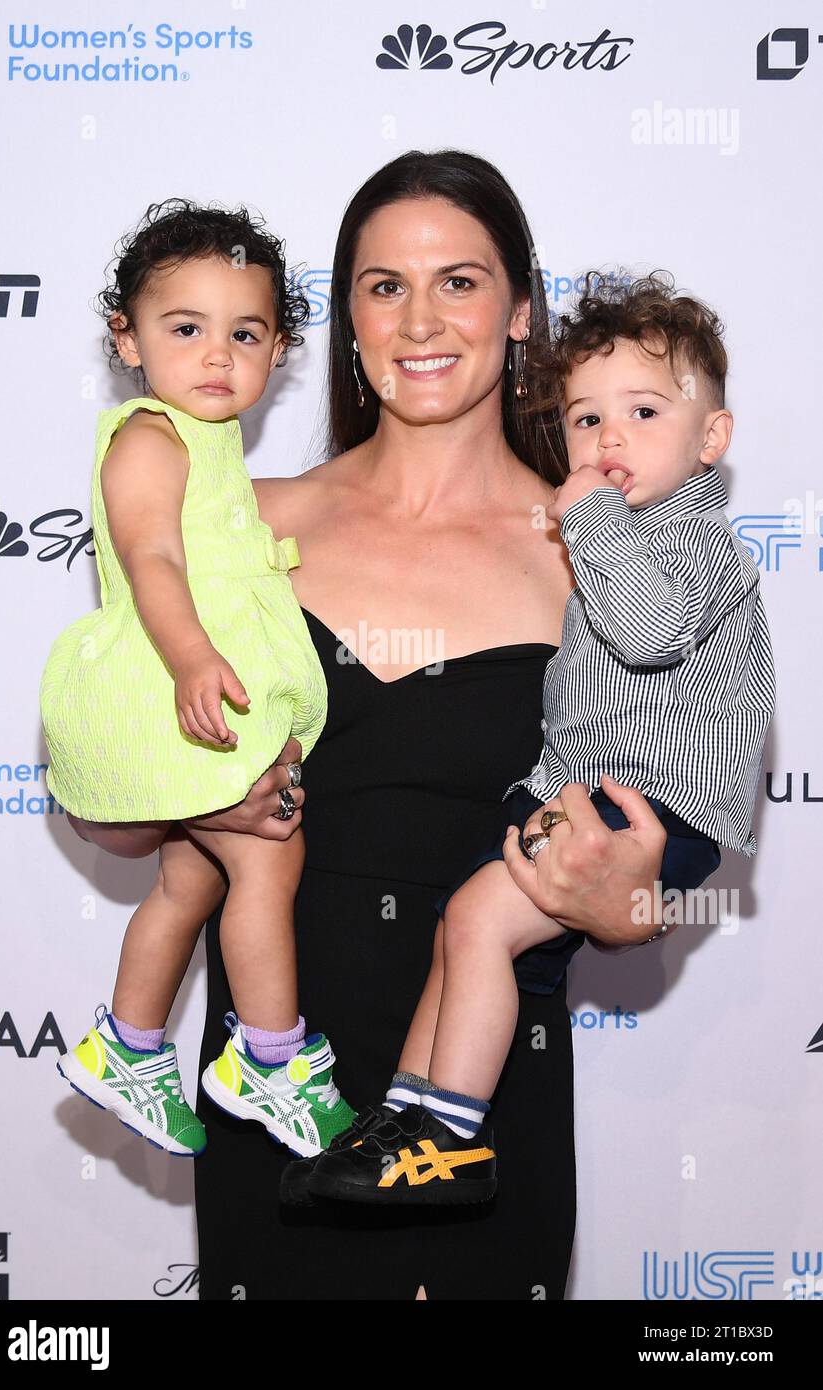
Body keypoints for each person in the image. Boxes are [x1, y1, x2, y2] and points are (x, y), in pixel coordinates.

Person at [186, 150, 672, 1300]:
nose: (419, 320)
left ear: (519, 312)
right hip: (278, 1075)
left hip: (483, 1107)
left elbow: (650, 888)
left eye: (458, 281)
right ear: (345, 312)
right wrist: (177, 800)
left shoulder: (600, 555)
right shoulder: (239, 526)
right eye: (382, 284)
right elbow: (110, 806)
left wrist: (625, 903)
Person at [301, 271, 776, 1206]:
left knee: (475, 920)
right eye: (586, 421)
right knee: (464, 927)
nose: (609, 442)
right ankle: (407, 1116)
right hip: (579, 793)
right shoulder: (622, 537)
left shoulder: (691, 545)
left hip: (649, 809)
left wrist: (586, 513)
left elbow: (645, 635)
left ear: (711, 438)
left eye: (643, 412)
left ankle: (446, 1137)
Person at [40, 198, 355, 1161]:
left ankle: (129, 1046)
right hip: (167, 684)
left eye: (245, 333)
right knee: (267, 857)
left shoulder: (208, 444)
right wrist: (189, 658)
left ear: (279, 350)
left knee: (189, 877)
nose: (218, 356)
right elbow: (152, 563)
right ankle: (268, 1057)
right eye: (186, 329)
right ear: (125, 339)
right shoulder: (151, 437)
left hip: (201, 691)